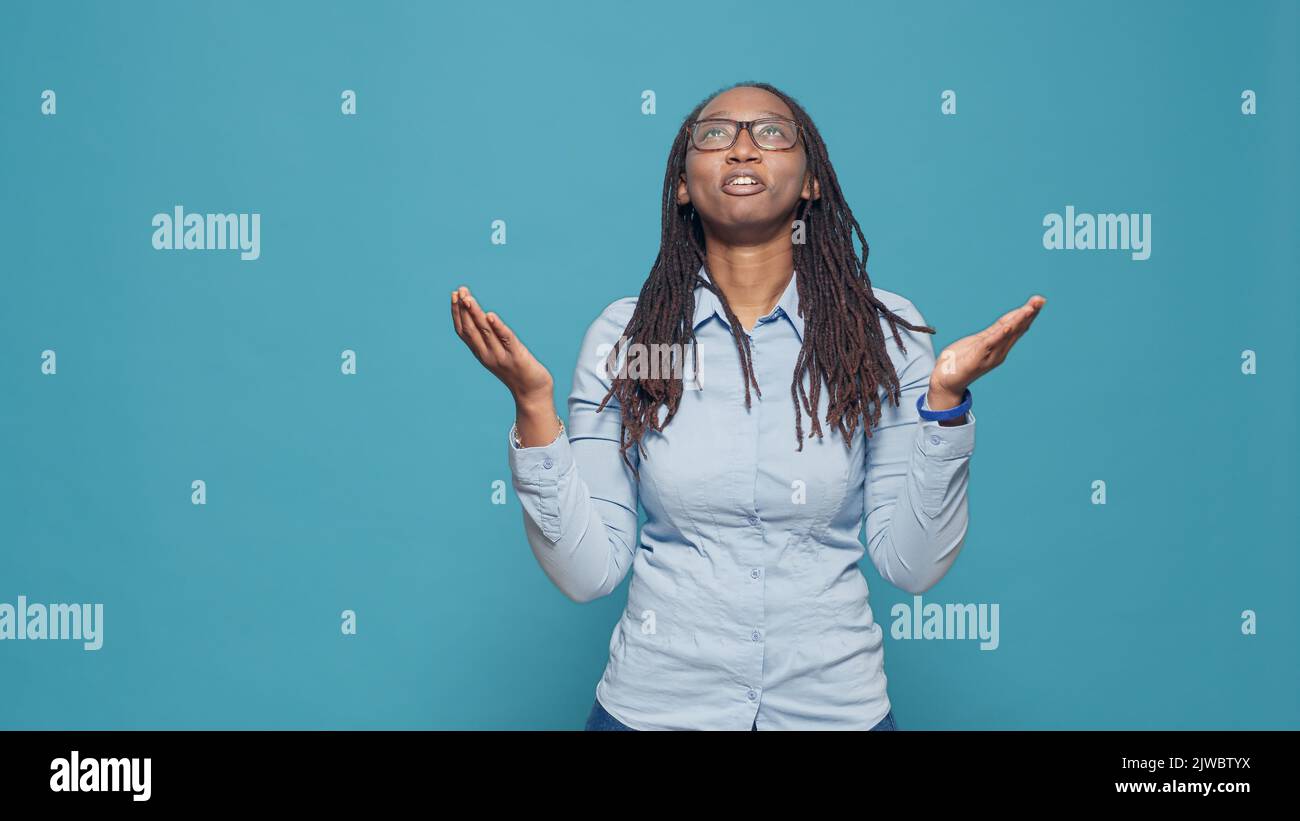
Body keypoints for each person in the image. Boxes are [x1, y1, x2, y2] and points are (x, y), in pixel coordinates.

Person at [450, 81, 1044, 730]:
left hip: (835, 711)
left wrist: (946, 405)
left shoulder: (885, 335)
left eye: (769, 132)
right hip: (654, 711)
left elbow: (914, 563)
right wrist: (533, 409)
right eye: (714, 134)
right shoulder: (627, 340)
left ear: (811, 181)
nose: (740, 149)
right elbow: (587, 572)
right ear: (682, 185)